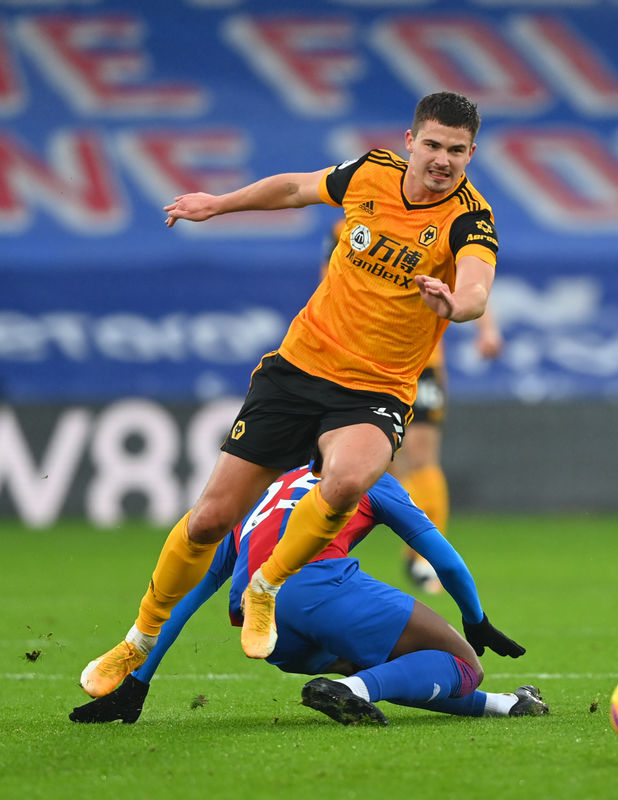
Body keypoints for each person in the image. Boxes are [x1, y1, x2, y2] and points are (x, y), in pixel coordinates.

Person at [81, 91, 503, 698]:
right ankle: (138, 640)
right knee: (211, 519)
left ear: (471, 153)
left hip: (376, 388)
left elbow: (479, 290)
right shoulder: (370, 173)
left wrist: (455, 304)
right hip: (299, 368)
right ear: (411, 142)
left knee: (350, 479)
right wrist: (217, 204)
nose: (443, 160)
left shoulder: (471, 218)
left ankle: (266, 586)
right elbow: (294, 189)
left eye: (456, 151)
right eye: (433, 145)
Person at [71, 465, 547, 725]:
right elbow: (447, 563)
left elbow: (186, 595)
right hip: (317, 589)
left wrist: (137, 684)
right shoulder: (367, 477)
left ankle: (505, 705)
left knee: (385, 670)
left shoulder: (259, 493)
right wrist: (476, 619)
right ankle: (349, 691)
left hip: (267, 630)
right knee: (463, 664)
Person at [321, 219, 504, 594]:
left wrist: (487, 329)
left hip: (422, 362)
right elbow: (330, 285)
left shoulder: (447, 223)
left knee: (421, 457)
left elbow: (471, 282)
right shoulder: (348, 225)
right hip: (366, 362)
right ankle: (324, 553)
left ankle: (424, 558)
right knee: (377, 463)